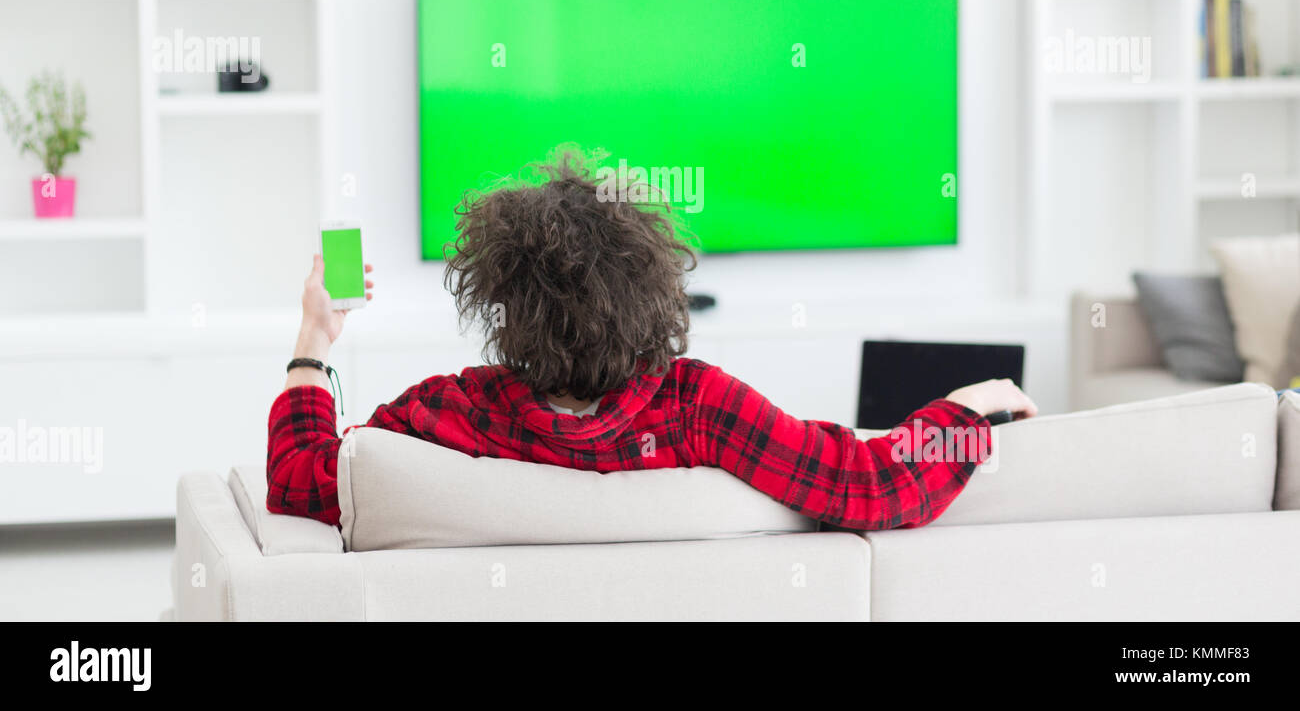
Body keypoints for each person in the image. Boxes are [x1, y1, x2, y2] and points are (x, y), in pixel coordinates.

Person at [267, 148, 1035, 529]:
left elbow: (297, 479)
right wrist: (965, 415)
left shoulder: (449, 415)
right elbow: (867, 485)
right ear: (652, 289)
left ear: (499, 300)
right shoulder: (699, 408)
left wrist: (314, 337)